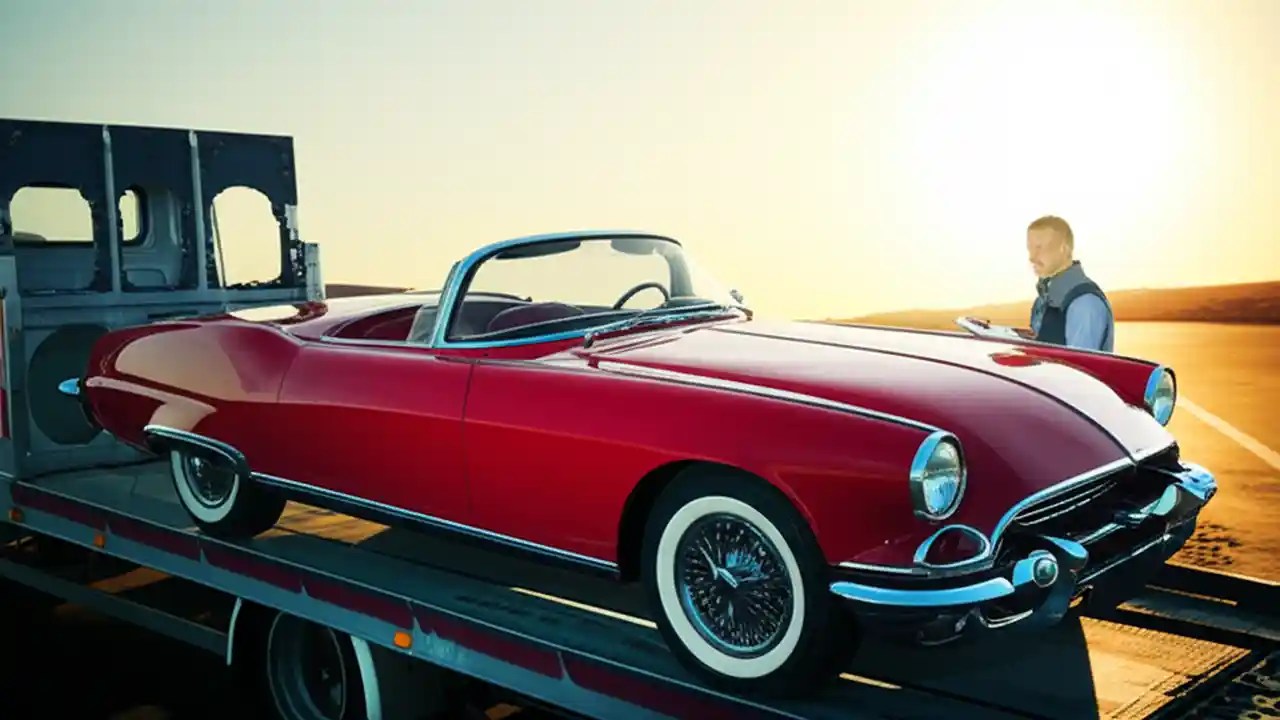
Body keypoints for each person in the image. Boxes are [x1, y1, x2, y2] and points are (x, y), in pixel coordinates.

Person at [1024, 215, 1114, 351]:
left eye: (1039, 248)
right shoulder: (1043, 301)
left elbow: (1079, 363)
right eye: (1030, 249)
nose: (1032, 257)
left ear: (1064, 249)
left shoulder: (1085, 304)